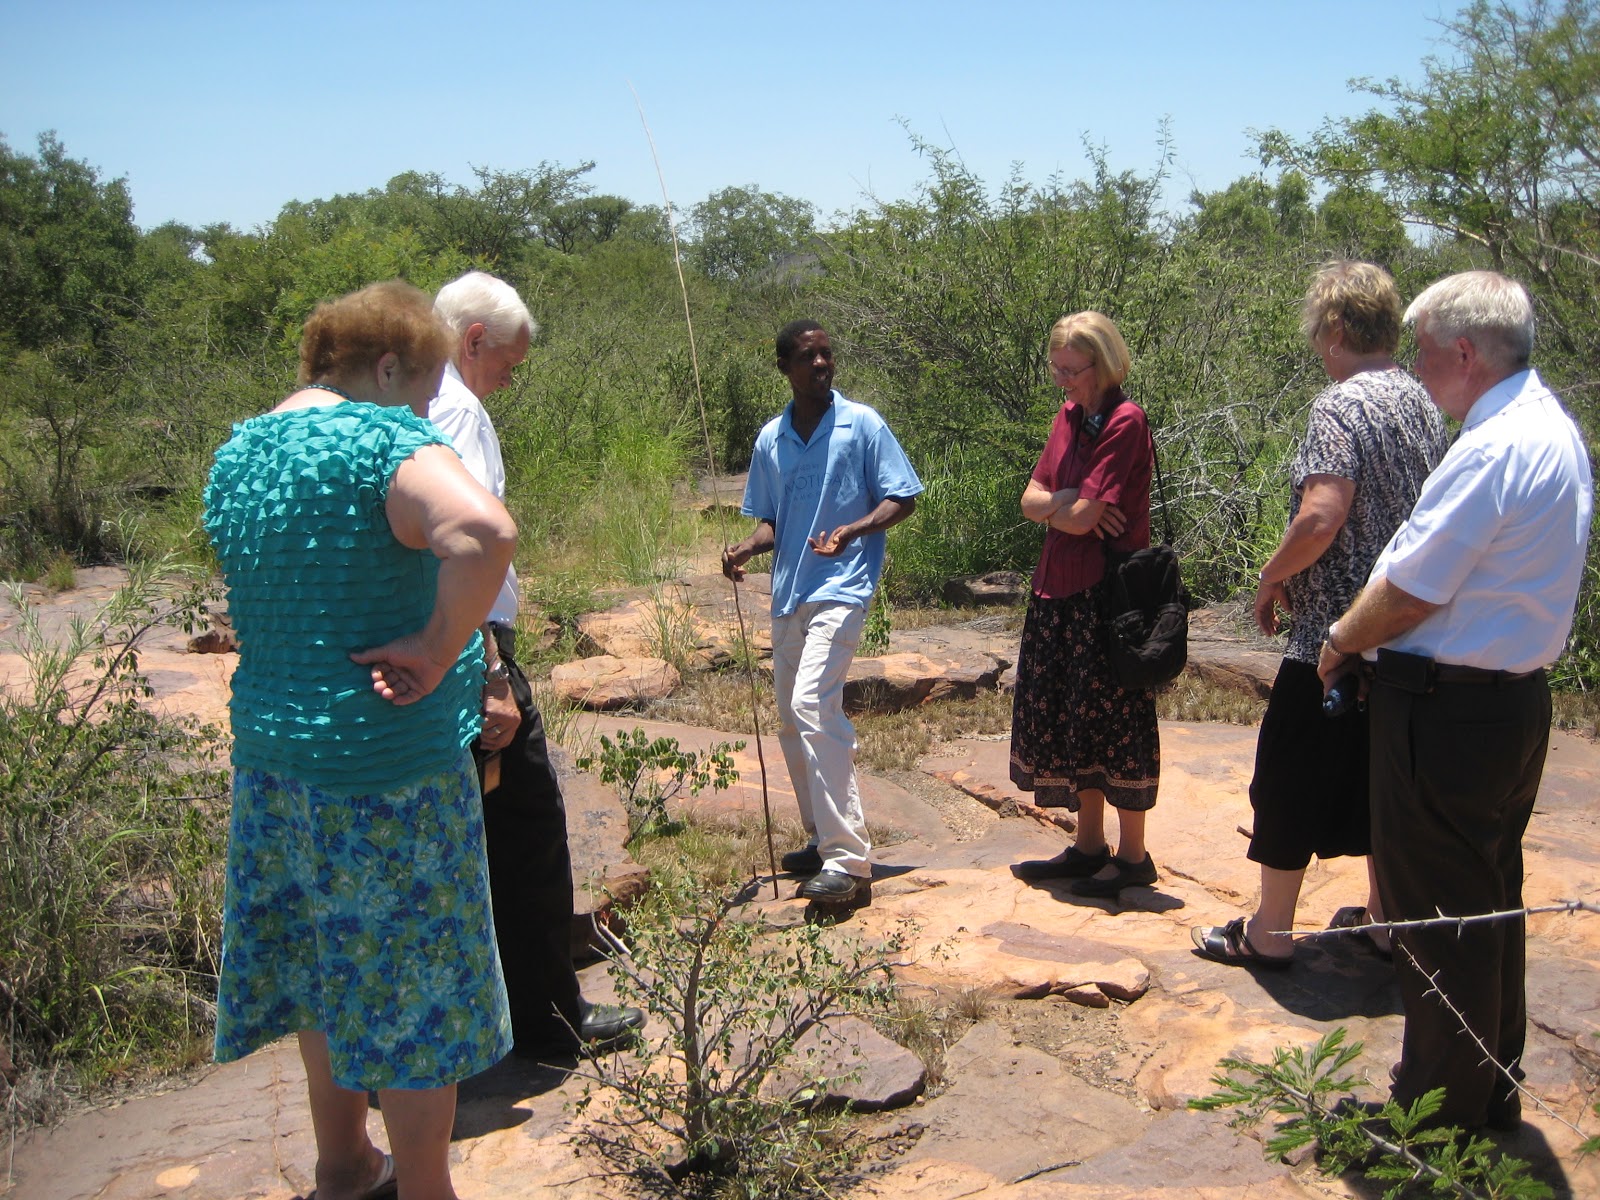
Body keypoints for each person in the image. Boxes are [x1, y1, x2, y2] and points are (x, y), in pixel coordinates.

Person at [204, 281, 515, 1200]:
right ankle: (425, 1188)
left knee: (320, 963)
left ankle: (343, 1163)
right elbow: (483, 531)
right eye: (420, 392)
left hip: (275, 761)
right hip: (390, 768)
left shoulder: (242, 452)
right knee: (412, 980)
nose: (422, 414)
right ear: (385, 369)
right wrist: (437, 648)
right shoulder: (383, 442)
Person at [1318, 270, 1591, 1132]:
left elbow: (1412, 589)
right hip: (1507, 706)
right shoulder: (1548, 425)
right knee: (1487, 900)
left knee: (1437, 917)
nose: (1417, 367)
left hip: (1447, 711)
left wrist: (1341, 638)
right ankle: (1486, 1087)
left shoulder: (1494, 446)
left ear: (1465, 353)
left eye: (1426, 352)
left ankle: (1433, 1122)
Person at [1191, 262, 1449, 968]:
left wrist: (1272, 575)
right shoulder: (1423, 401)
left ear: (1334, 328)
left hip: (1333, 638)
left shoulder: (1341, 406)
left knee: (1288, 776)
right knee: (1382, 781)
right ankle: (1385, 922)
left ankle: (1270, 932)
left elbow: (1321, 516)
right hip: (1407, 633)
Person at [429, 270, 644, 1056]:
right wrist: (492, 671)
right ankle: (550, 1020)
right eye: (508, 364)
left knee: (474, 834)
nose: (509, 380)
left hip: (437, 649)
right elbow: (462, 545)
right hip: (472, 650)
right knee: (528, 832)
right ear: (472, 340)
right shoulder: (456, 408)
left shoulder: (407, 403)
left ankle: (482, 1014)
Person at [722, 319, 922, 905]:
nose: (821, 364)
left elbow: (902, 496)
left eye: (827, 354)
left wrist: (852, 530)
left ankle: (847, 859)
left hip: (843, 586)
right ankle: (819, 837)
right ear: (784, 367)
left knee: (813, 703)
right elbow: (773, 517)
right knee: (791, 717)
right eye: (808, 357)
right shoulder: (772, 438)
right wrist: (746, 548)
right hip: (789, 593)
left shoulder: (862, 424)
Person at [1009, 311, 1162, 898]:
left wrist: (1063, 507)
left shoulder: (1126, 421)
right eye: (1057, 369)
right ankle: (1089, 846)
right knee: (1078, 720)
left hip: (1105, 595)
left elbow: (1078, 516)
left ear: (1104, 363)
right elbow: (1032, 501)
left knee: (1115, 721)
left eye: (1071, 370)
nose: (1062, 380)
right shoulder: (1069, 417)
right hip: (1057, 589)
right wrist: (1065, 503)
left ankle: (1133, 857)